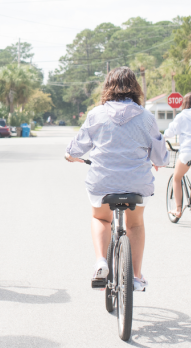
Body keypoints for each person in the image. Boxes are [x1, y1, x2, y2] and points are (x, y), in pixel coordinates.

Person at [65, 67, 168, 292]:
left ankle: (101, 261)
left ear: (108, 88)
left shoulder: (96, 114)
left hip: (103, 183)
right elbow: (160, 155)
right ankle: (136, 277)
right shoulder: (146, 116)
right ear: (135, 88)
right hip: (137, 184)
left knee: (101, 219)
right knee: (135, 224)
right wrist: (158, 159)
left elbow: (77, 147)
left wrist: (71, 155)